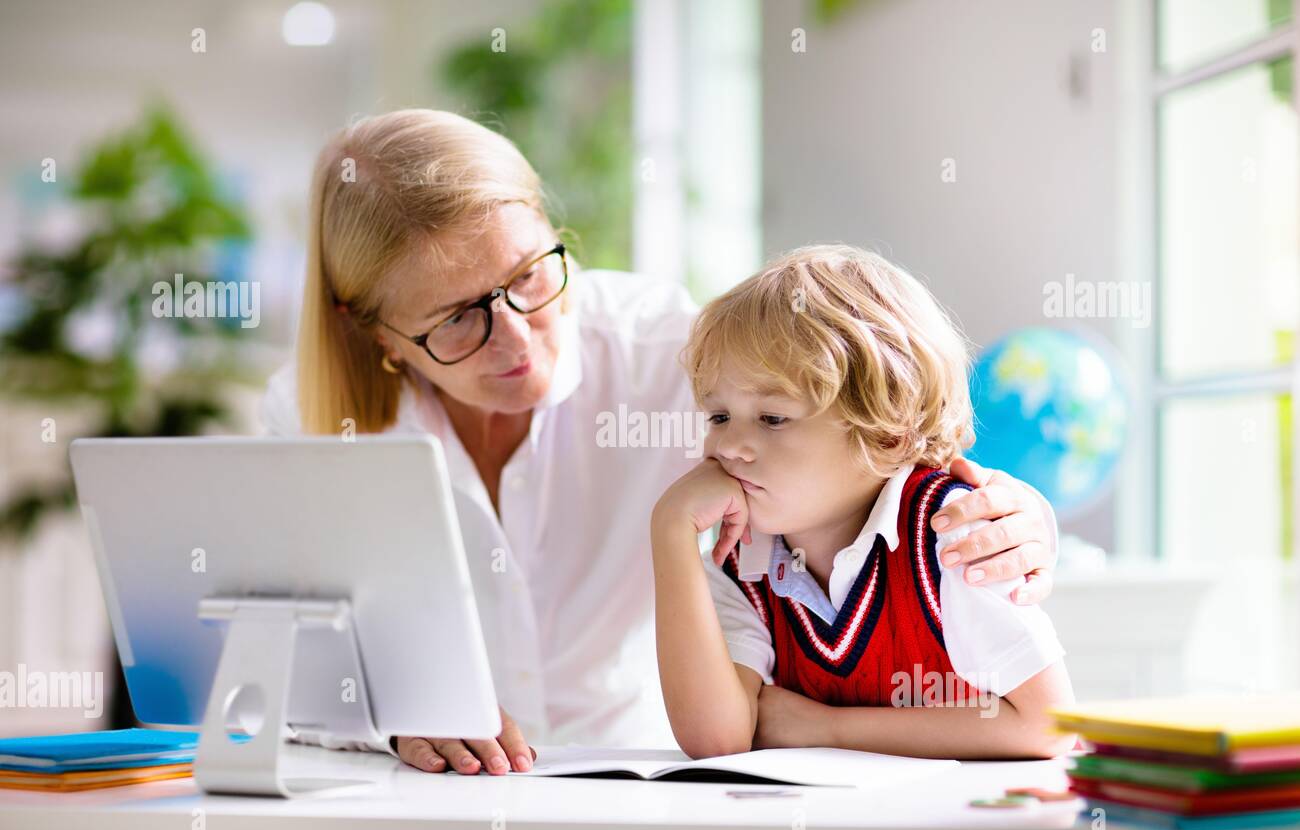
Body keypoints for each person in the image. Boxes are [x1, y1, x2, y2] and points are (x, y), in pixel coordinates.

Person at [260, 109, 1063, 774]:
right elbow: (258, 660)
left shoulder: (673, 354)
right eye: (457, 319)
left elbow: (871, 431)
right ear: (376, 334)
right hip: (434, 795)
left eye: (529, 276)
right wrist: (390, 714)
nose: (517, 338)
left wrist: (1019, 518)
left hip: (649, 783)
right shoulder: (305, 420)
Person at [651, 245, 1076, 760]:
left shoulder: (948, 531)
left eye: (773, 418)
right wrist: (671, 529)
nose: (729, 446)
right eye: (719, 417)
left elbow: (1048, 725)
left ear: (887, 436)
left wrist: (829, 728)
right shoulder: (744, 558)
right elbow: (716, 740)